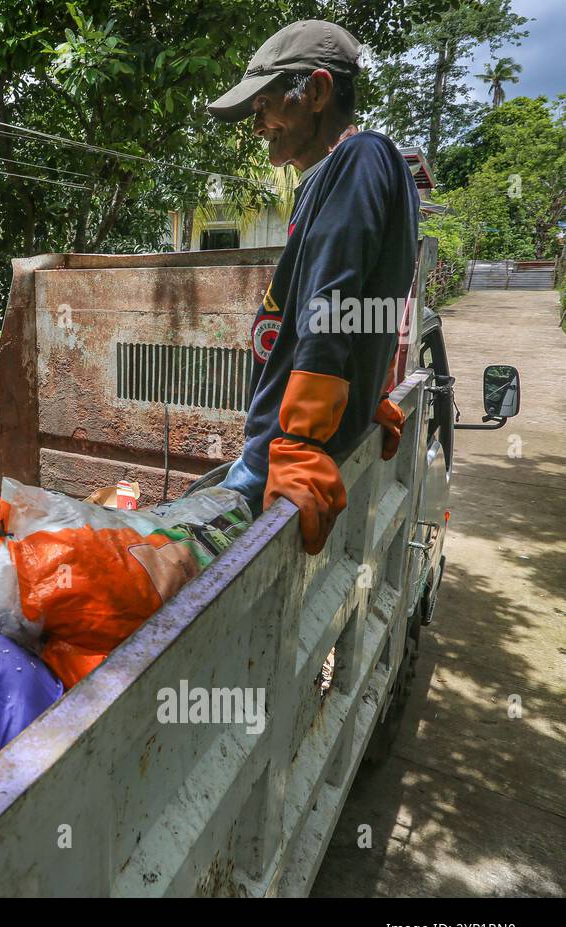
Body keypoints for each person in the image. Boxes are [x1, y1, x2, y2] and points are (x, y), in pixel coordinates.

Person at [207, 20, 418, 555]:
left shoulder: (361, 157)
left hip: (282, 458)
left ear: (318, 91)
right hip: (278, 447)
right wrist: (369, 391)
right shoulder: (338, 177)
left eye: (265, 105)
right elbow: (375, 299)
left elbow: (334, 302)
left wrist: (301, 441)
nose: (258, 126)